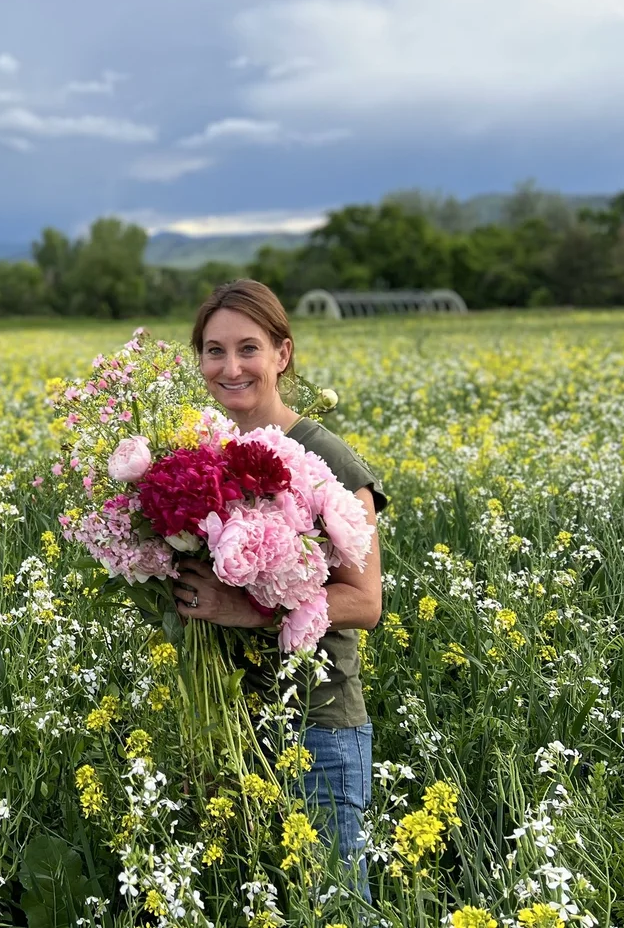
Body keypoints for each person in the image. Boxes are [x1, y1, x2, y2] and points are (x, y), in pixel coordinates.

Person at [170, 278, 385, 900]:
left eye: (248, 349)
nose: (230, 367)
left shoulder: (328, 458)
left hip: (316, 726)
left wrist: (242, 607)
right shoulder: (195, 455)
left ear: (282, 355)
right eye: (214, 351)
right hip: (227, 725)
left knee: (334, 908)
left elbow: (365, 603)